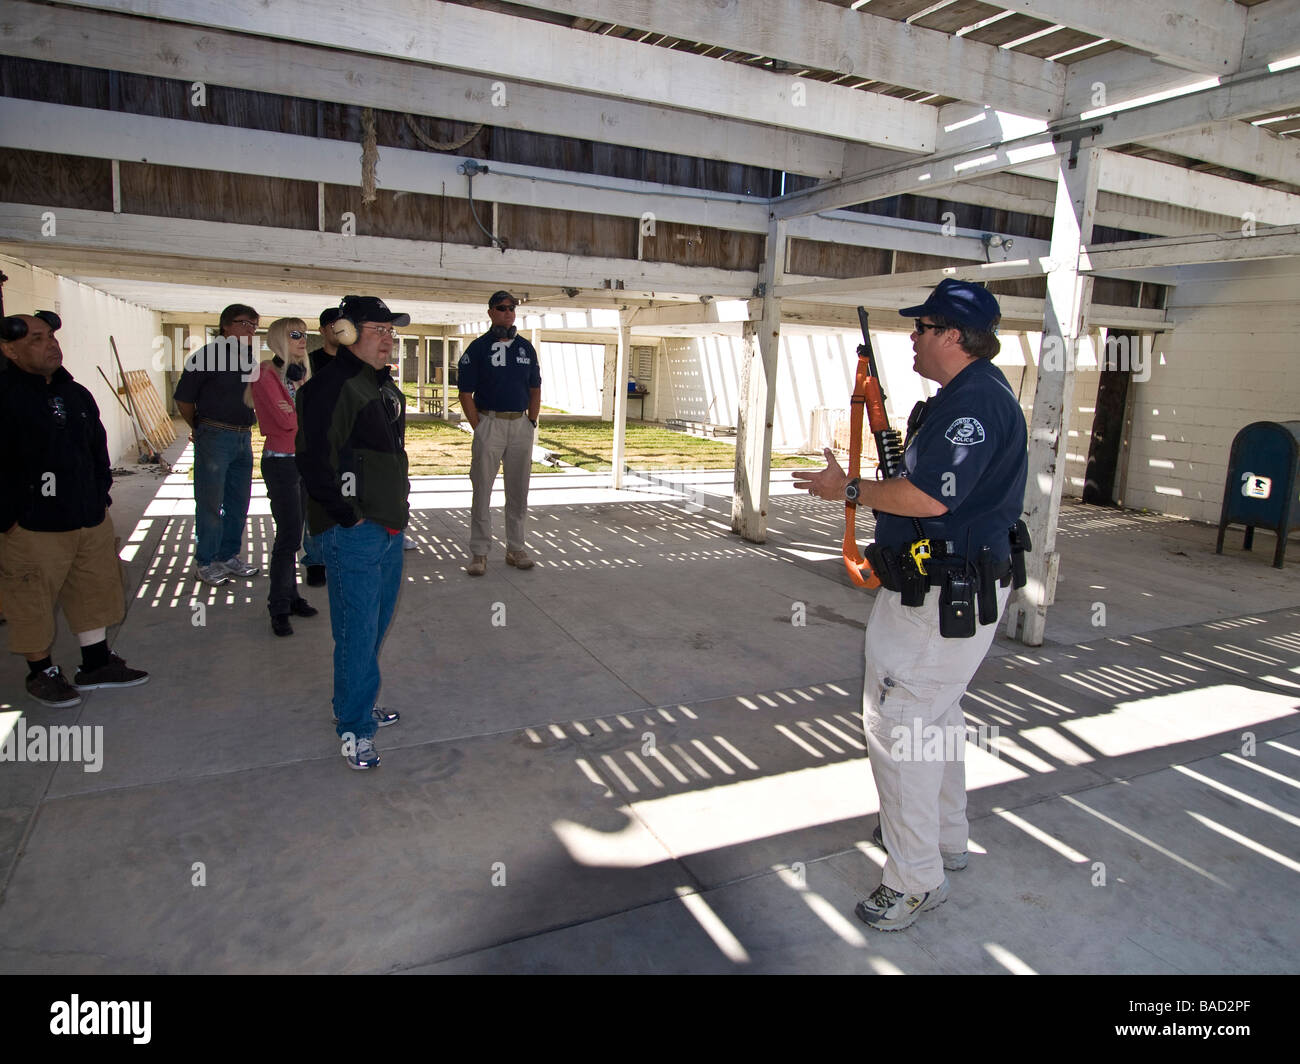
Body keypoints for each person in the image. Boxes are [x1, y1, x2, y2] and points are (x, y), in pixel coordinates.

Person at [792, 279, 1028, 932]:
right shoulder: (964, 397)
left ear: (953, 335)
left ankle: (913, 878)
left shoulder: (973, 404)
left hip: (940, 594)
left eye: (922, 328)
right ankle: (944, 839)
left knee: (900, 730)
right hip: (943, 584)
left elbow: (930, 499)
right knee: (934, 720)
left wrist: (852, 488)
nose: (913, 339)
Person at [0, 311, 148, 708]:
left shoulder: (75, 392)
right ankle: (41, 671)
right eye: (35, 338)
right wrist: (10, 519)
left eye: (50, 335)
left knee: (95, 588)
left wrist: (100, 495)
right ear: (9, 349)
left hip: (87, 516)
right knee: (30, 597)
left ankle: (96, 663)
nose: (50, 344)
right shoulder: (6, 395)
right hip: (33, 525)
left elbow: (97, 448)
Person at [296, 295, 410, 770]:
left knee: (374, 627)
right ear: (346, 332)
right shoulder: (332, 386)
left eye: (391, 330)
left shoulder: (378, 384)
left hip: (387, 525)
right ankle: (354, 728)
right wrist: (346, 516)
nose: (389, 338)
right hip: (356, 532)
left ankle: (358, 704)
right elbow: (313, 459)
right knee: (357, 634)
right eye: (377, 329)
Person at [173, 304, 262, 586]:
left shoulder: (248, 358)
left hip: (242, 436)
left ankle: (228, 555)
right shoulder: (206, 356)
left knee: (238, 501)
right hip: (215, 435)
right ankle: (206, 560)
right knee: (211, 502)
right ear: (226, 326)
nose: (250, 330)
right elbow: (184, 400)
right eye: (244, 324)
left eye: (254, 325)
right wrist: (200, 428)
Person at [458, 290, 542, 576]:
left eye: (512, 308)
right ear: (491, 312)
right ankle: (479, 553)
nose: (508, 312)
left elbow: (535, 388)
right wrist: (479, 427)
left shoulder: (526, 348)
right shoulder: (477, 348)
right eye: (502, 308)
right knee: (482, 489)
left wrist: (531, 421)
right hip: (489, 424)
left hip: (520, 425)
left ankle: (516, 548)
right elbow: (465, 393)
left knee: (518, 490)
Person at [248, 318, 318, 636]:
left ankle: (291, 596)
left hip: (302, 459)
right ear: (278, 339)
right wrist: (304, 396)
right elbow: (286, 419)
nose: (302, 340)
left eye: (304, 334)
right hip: (281, 462)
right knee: (288, 535)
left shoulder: (298, 374)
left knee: (296, 532)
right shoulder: (264, 372)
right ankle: (278, 605)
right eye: (294, 335)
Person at [299, 307, 340, 586]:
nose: (339, 330)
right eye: (333, 325)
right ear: (323, 330)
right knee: (316, 503)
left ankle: (341, 555)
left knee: (348, 502)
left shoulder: (357, 363)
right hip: (316, 444)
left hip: (350, 445)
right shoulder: (309, 364)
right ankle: (315, 559)